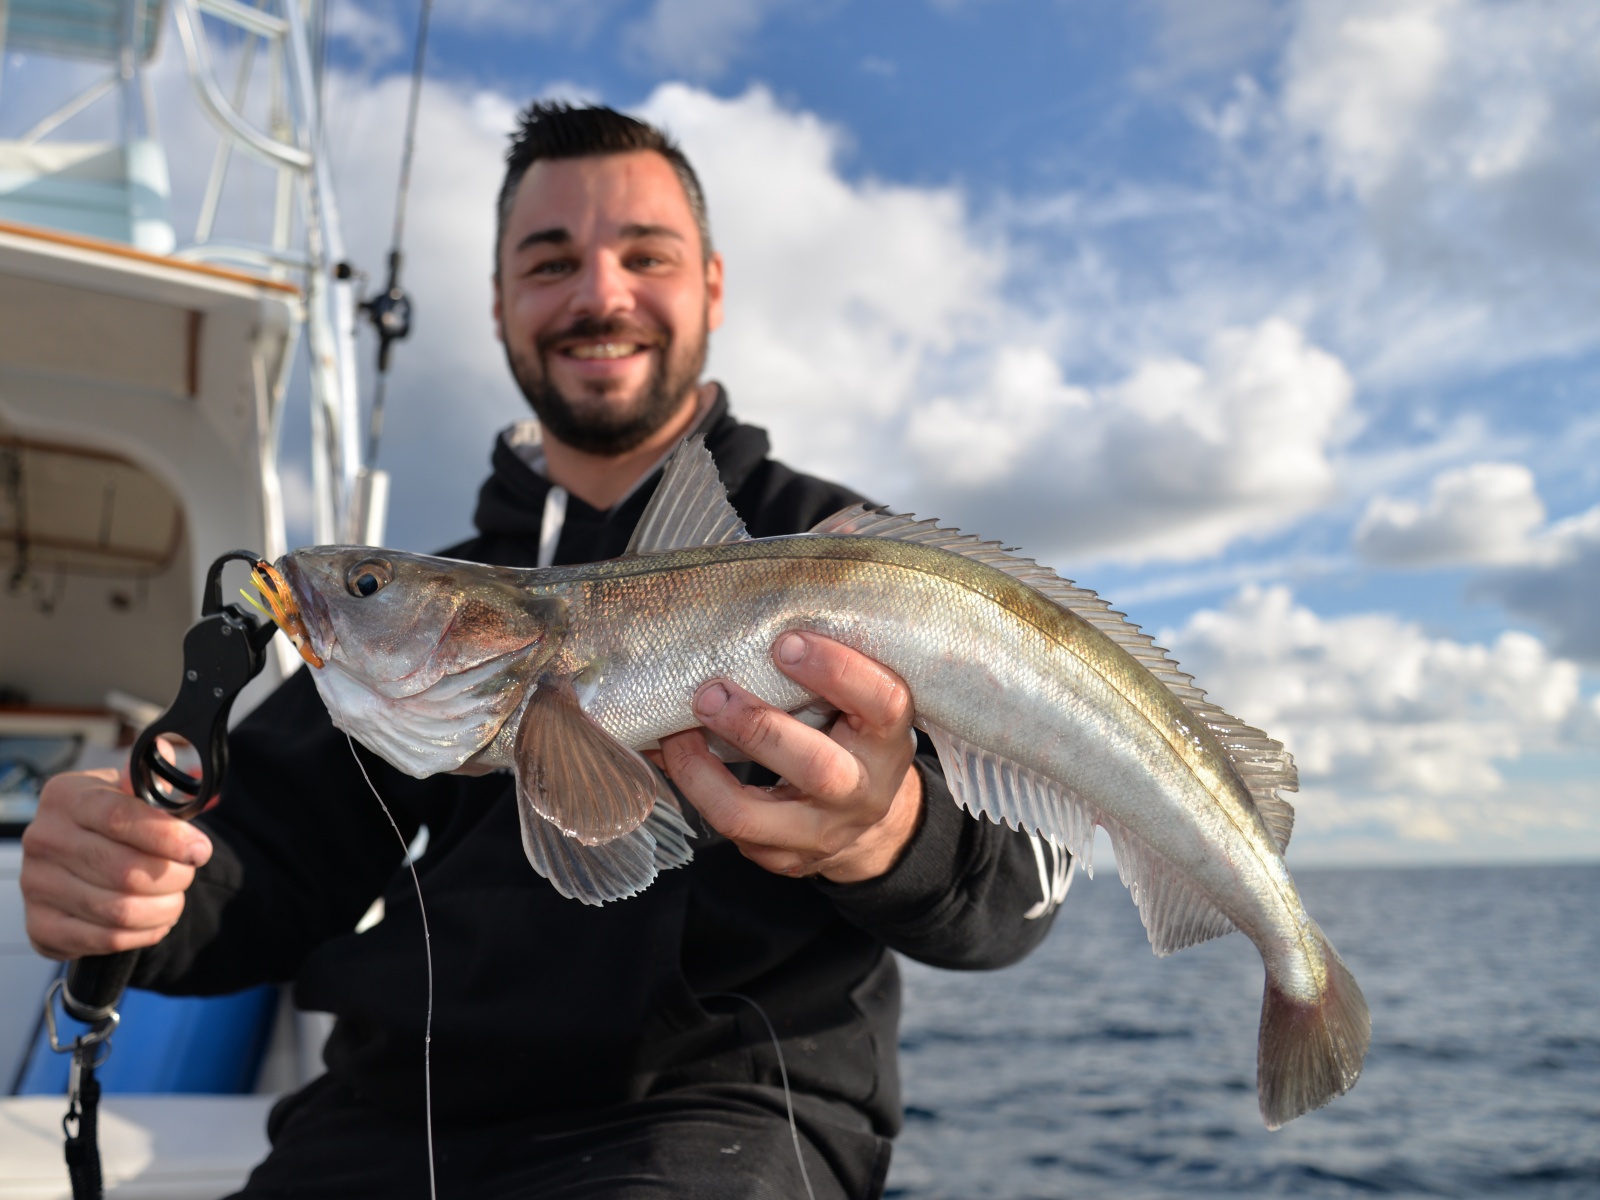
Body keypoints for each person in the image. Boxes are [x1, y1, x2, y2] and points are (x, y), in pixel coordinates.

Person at [21, 104, 1063, 1199]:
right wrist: (133, 883)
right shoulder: (424, 612)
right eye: (550, 260)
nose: (598, 294)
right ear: (501, 305)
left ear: (710, 284)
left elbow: (1023, 882)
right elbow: (273, 860)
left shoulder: (855, 563)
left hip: (718, 1120)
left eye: (643, 255)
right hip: (391, 1109)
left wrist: (893, 832)